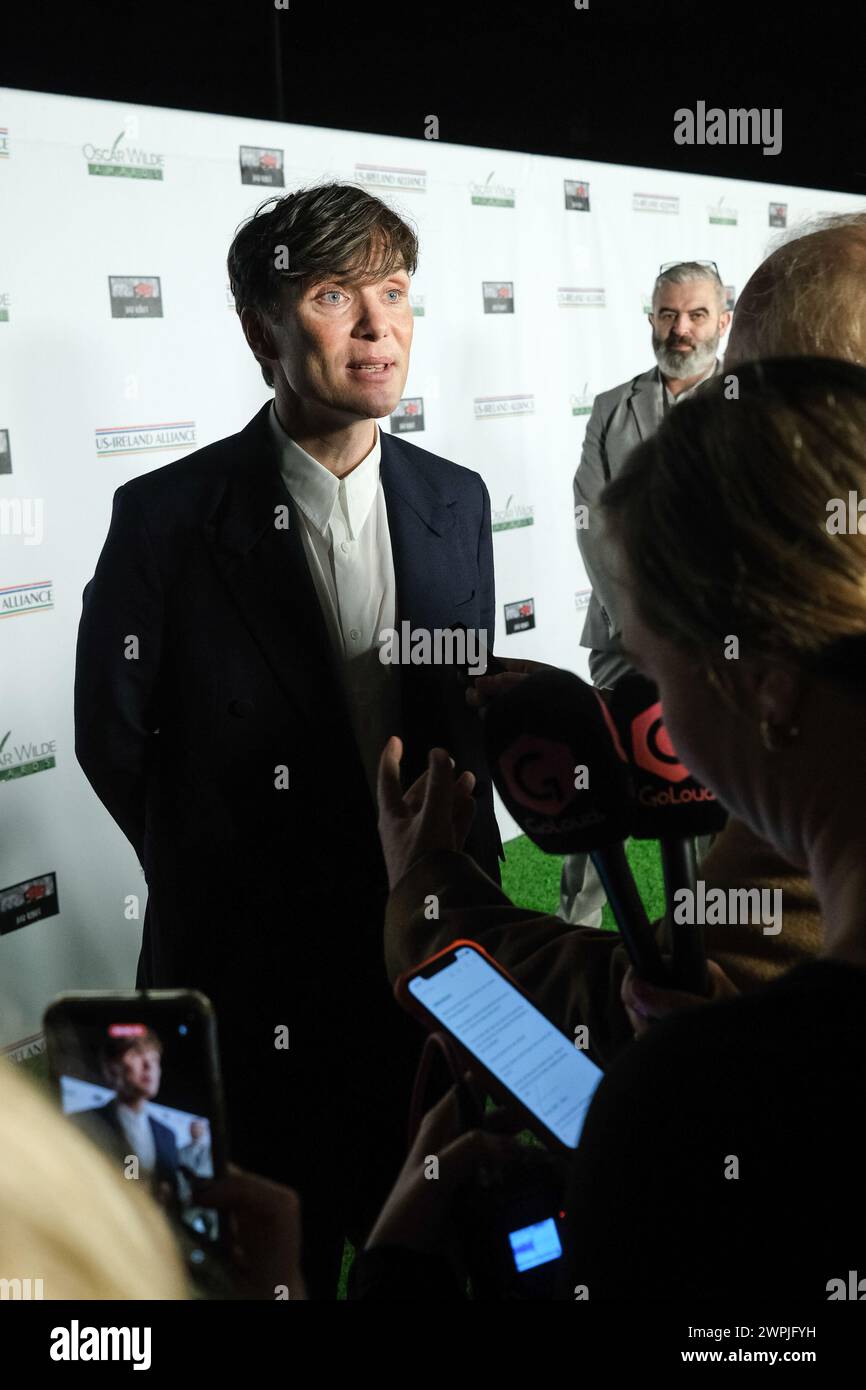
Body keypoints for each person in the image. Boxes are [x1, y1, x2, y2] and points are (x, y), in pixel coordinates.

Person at [353, 355, 866, 1300]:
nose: (643, 715)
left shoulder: (708, 1096)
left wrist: (393, 1269)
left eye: (654, 673)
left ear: (765, 685)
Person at [73, 180, 500, 1296]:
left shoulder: (457, 499)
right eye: (333, 294)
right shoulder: (166, 517)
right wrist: (234, 873)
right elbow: (114, 743)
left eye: (395, 292)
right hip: (246, 982)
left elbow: (458, 729)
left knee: (438, 1263)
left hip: (430, 969)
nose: (378, 326)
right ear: (260, 326)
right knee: (260, 1270)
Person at [562, 260, 731, 925]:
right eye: (667, 313)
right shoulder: (612, 407)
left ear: (722, 320)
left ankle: (719, 936)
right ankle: (576, 926)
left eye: (695, 315)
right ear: (651, 318)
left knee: (720, 787)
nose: (680, 329)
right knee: (600, 783)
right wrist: (638, 621)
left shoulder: (751, 404)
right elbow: (591, 519)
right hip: (621, 640)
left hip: (721, 644)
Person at [70, 1029, 180, 1195]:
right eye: (137, 1055)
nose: (149, 1066)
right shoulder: (85, 1123)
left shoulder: (167, 1136)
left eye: (154, 1059)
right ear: (112, 1067)